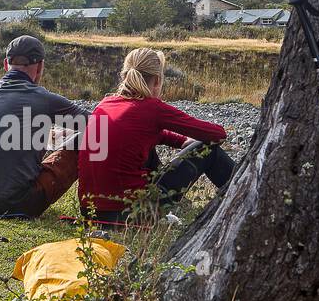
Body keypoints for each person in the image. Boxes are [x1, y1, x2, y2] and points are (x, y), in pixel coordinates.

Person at [78, 47, 234, 224]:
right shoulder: (152, 108)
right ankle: (243, 196)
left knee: (142, 148)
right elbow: (218, 134)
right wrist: (193, 142)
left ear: (125, 76)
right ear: (157, 80)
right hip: (130, 214)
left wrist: (182, 141)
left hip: (90, 212)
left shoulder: (105, 104)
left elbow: (141, 134)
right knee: (210, 150)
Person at [0, 35, 87, 218]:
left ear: (6, 64)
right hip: (14, 206)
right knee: (86, 141)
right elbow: (97, 125)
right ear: (40, 66)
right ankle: (101, 207)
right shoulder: (43, 99)